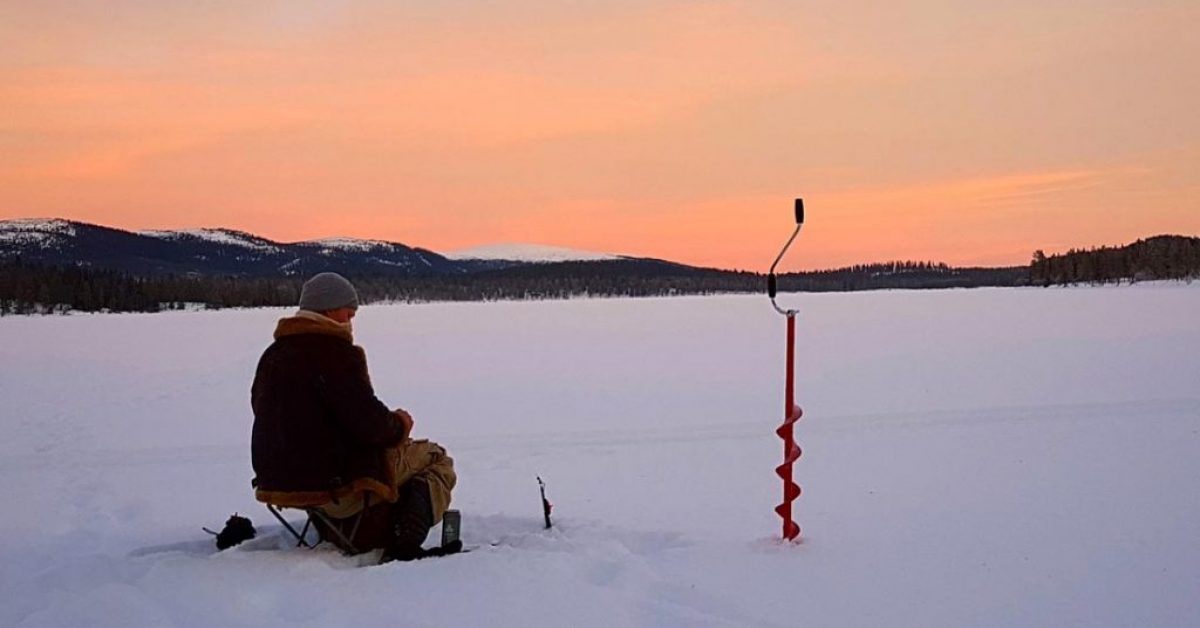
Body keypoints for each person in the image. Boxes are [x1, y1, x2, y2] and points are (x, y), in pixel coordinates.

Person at [250, 272, 457, 561]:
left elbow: (269, 412)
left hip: (284, 482)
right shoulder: (335, 353)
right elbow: (370, 424)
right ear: (329, 309)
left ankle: (353, 527)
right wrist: (400, 424)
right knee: (435, 457)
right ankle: (405, 543)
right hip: (335, 484)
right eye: (348, 312)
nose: (351, 320)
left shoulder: (273, 355)